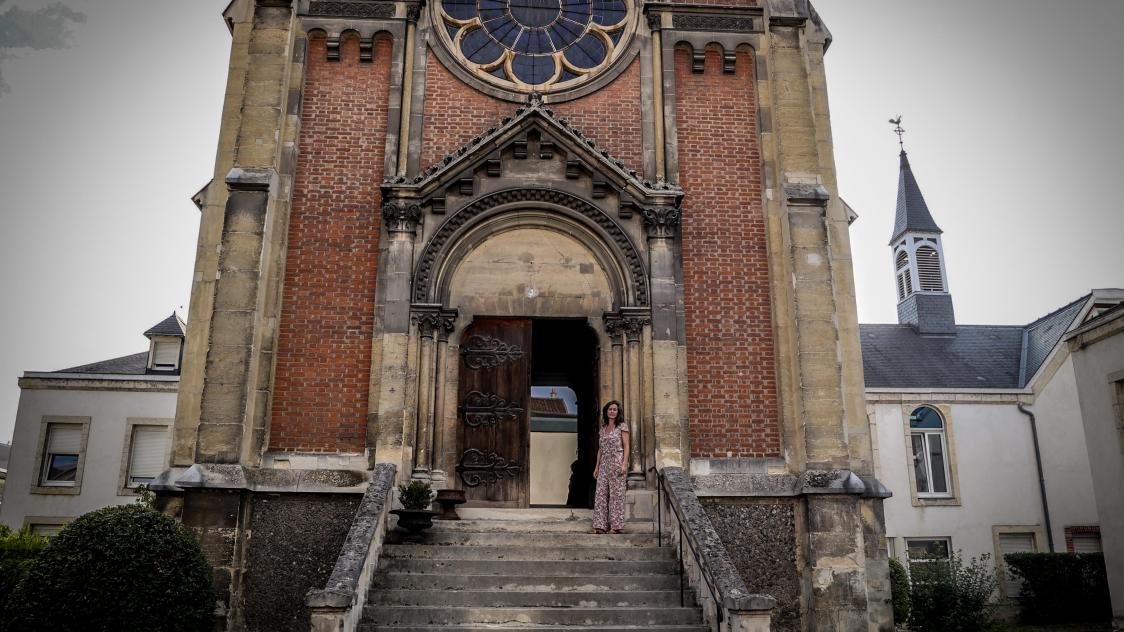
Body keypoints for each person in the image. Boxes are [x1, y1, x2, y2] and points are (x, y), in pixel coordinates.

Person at [591, 400, 629, 534]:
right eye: (610, 409)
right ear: (606, 412)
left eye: (614, 409)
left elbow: (626, 446)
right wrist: (597, 467)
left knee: (616, 495)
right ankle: (600, 525)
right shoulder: (602, 429)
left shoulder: (622, 427)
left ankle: (616, 526)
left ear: (618, 412)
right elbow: (600, 450)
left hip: (617, 462)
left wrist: (624, 464)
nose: (612, 411)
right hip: (604, 464)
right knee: (601, 494)